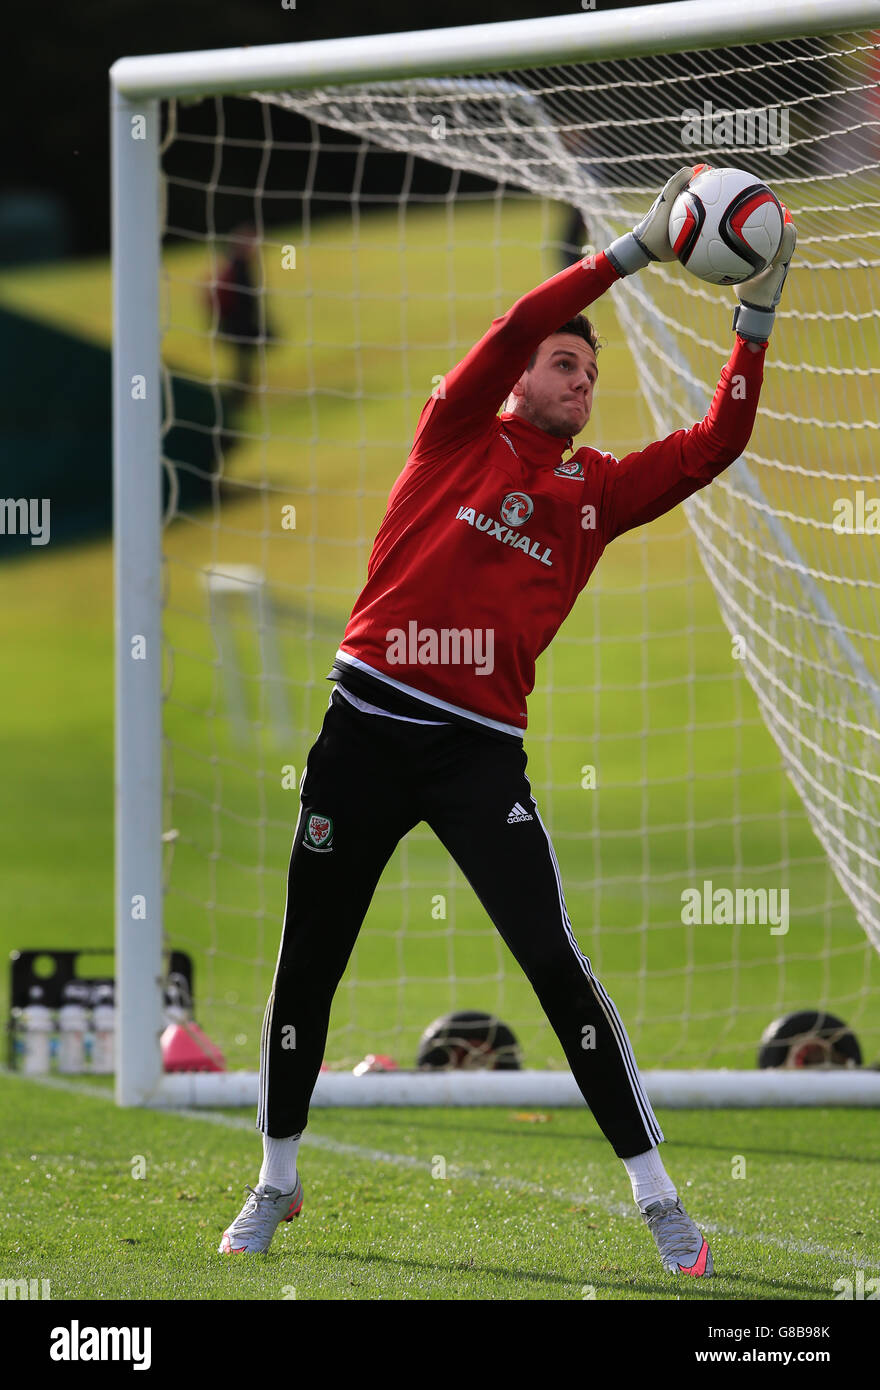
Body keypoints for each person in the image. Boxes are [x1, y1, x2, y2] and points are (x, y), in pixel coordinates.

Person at [219, 166, 796, 1276]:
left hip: (477, 757)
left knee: (552, 960)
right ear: (516, 375)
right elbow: (524, 312)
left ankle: (658, 1197)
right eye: (564, 361)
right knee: (310, 963)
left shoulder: (596, 496)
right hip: (363, 732)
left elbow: (717, 442)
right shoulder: (452, 434)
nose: (581, 377)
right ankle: (275, 1179)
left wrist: (757, 317)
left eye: (590, 369)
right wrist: (630, 250)